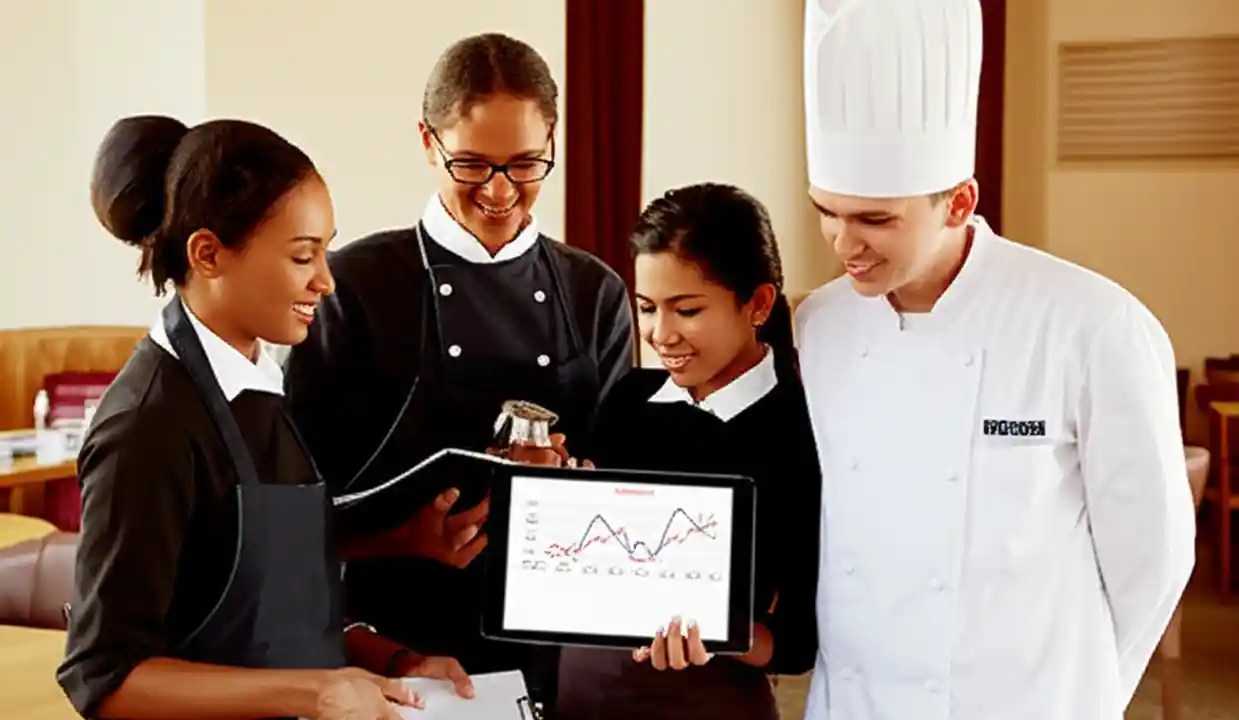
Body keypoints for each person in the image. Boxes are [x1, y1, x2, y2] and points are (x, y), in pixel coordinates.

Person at [795, 1, 1196, 718]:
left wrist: (1080, 695)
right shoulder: (818, 328)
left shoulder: (1093, 326)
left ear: (958, 202)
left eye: (875, 219)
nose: (843, 242)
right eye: (827, 211)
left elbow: (1153, 559)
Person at [57, 115, 470, 720]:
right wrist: (316, 692)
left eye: (325, 251)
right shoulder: (147, 429)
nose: (326, 281)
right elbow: (106, 679)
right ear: (208, 254)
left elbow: (269, 615)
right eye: (303, 256)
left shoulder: (259, 388)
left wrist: (395, 661)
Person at [283, 32, 634, 705]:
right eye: (471, 164)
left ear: (553, 138)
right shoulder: (352, 286)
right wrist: (402, 538)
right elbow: (298, 504)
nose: (500, 191)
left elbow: (622, 486)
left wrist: (572, 477)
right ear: (427, 142)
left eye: (526, 163)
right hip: (392, 644)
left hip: (558, 648)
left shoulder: (596, 292)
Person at [550, 183, 821, 720]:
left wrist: (718, 629)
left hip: (709, 701)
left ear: (758, 303)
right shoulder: (628, 400)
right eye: (647, 309)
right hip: (583, 696)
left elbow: (798, 641)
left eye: (688, 310)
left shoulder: (801, 428)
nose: (660, 334)